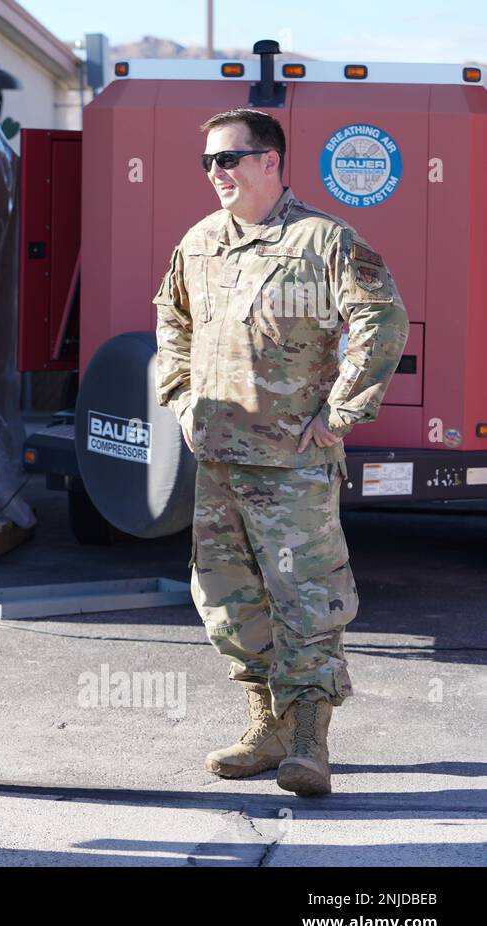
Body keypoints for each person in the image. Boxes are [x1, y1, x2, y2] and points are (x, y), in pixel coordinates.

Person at [154, 108, 408, 796]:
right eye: (208, 161)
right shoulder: (200, 241)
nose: (217, 173)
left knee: (306, 597)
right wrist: (178, 396)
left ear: (271, 161)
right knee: (228, 600)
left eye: (230, 158)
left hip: (292, 465)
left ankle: (307, 740)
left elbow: (383, 321)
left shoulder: (324, 240)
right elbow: (170, 322)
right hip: (217, 461)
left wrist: (341, 411)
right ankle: (263, 727)